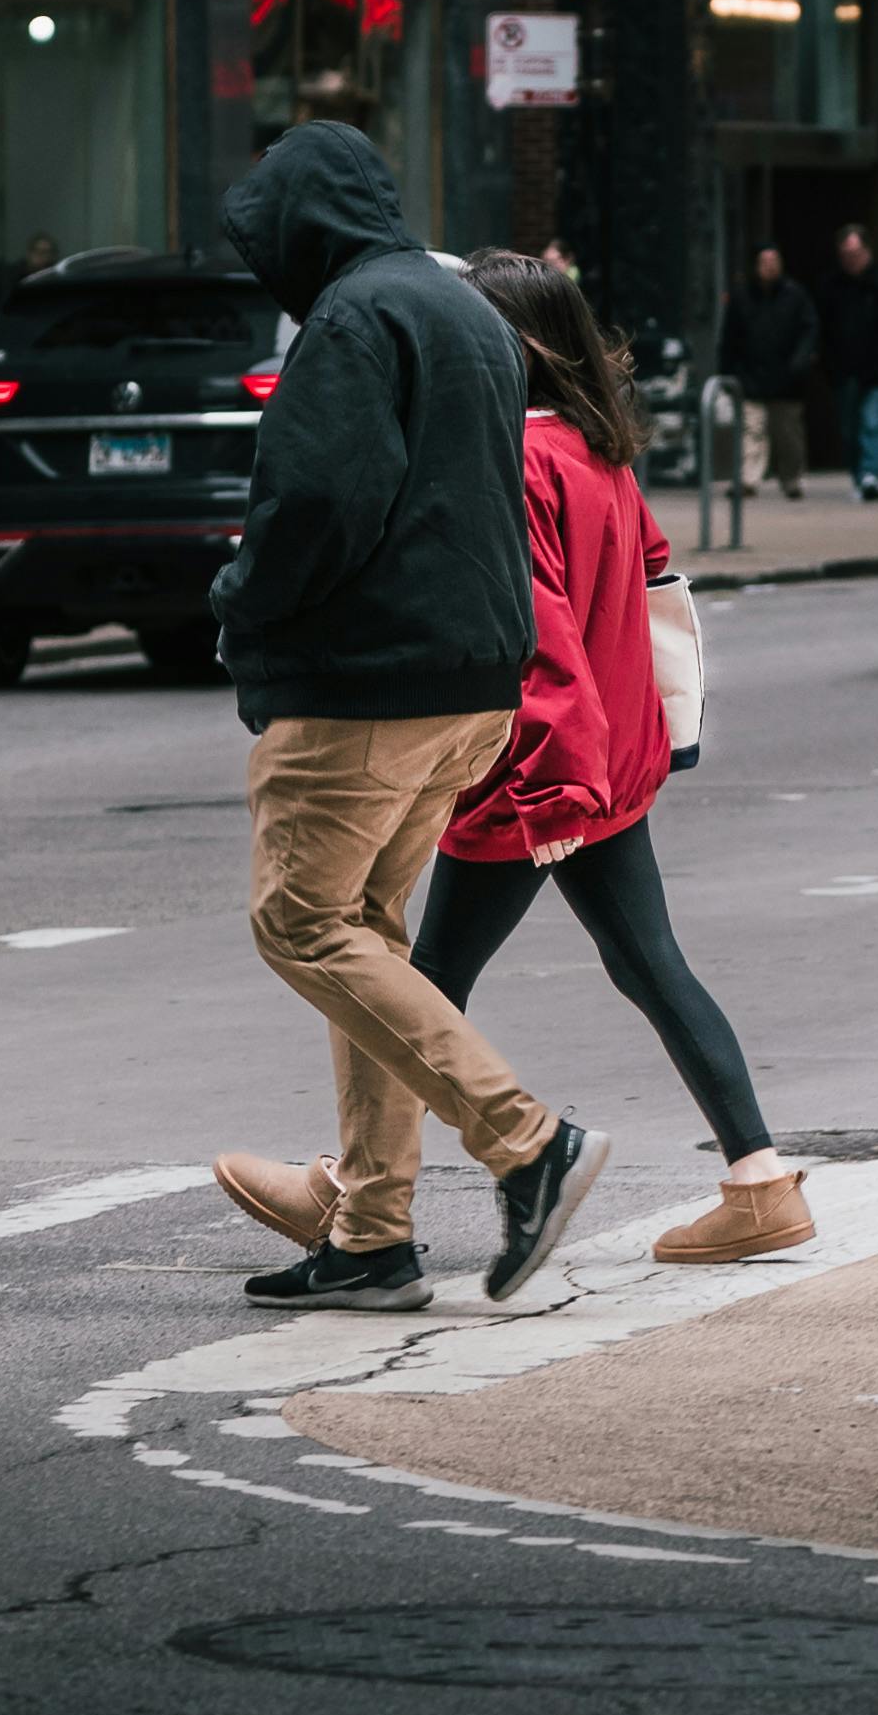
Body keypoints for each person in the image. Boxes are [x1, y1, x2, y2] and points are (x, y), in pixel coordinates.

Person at [224, 258, 808, 1274]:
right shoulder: (598, 451)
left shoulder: (515, 462)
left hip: (537, 775)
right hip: (606, 761)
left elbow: (534, 635)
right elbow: (650, 584)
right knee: (646, 964)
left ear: (509, 350)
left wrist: (545, 786)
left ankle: (354, 1194)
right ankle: (758, 1179)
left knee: (415, 979)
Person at [207, 120, 611, 1316]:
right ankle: (373, 1235)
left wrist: (238, 601)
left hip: (362, 683)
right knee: (369, 938)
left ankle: (527, 1143)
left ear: (300, 224)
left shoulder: (349, 321)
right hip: (471, 679)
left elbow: (315, 505)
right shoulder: (466, 316)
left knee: (299, 925)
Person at [714, 242, 819, 498]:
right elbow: (729, 338)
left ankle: (791, 478)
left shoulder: (795, 295)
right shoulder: (742, 297)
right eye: (765, 262)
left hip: (787, 379)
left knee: (788, 434)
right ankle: (749, 479)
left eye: (774, 262)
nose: (770, 267)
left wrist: (799, 361)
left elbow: (809, 331)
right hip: (751, 376)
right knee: (752, 429)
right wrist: (727, 372)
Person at [826, 221, 878, 498]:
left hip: (875, 366)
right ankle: (859, 473)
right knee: (849, 428)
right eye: (845, 255)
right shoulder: (832, 286)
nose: (851, 261)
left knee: (872, 423)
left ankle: (870, 473)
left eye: (855, 254)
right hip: (844, 369)